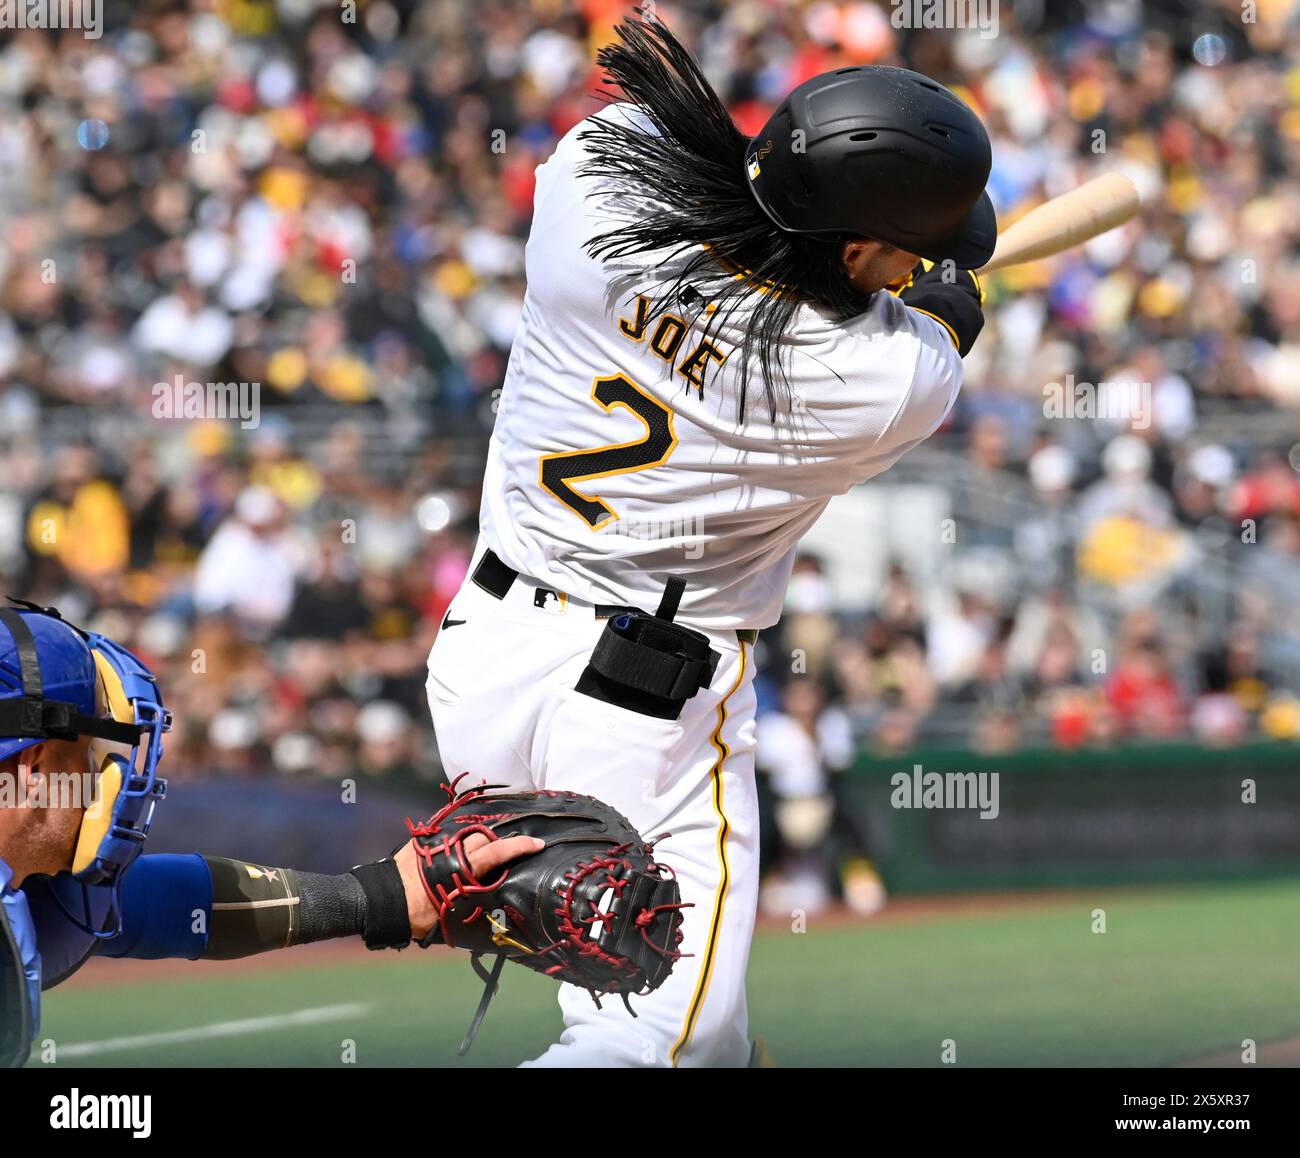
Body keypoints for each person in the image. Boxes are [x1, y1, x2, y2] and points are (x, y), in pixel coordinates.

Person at [423, 16, 990, 1067]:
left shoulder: (591, 188)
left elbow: (710, 182)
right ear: (860, 249)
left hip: (484, 660)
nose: (917, 264)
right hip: (641, 711)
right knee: (646, 1045)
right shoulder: (876, 380)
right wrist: (939, 293)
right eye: (904, 249)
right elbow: (938, 332)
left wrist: (859, 253)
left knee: (709, 1034)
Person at [0, 602, 540, 1069]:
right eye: (96, 754)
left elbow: (173, 906)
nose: (113, 778)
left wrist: (384, 898)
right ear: (35, 767)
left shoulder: (31, 884)